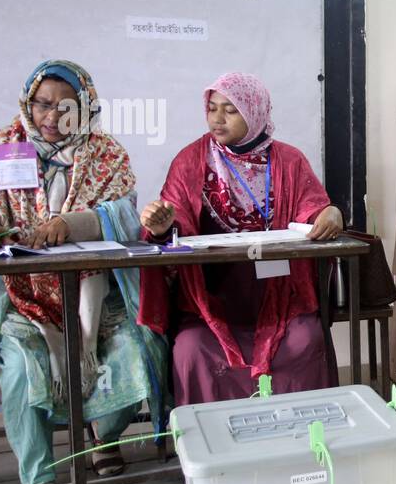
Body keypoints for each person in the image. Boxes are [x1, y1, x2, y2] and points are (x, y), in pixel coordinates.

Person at [0, 59, 168, 484]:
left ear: (84, 107)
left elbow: (126, 216)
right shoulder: (4, 147)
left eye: (65, 106)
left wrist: (73, 224)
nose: (51, 116)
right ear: (28, 102)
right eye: (42, 103)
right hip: (24, 299)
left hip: (94, 296)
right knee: (24, 368)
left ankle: (103, 436)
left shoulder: (107, 154)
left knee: (139, 350)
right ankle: (42, 481)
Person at [138, 72, 345, 406]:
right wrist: (162, 226)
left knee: (306, 339)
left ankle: (303, 434)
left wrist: (331, 213)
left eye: (230, 110)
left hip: (279, 294)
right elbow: (174, 214)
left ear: (254, 111)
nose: (217, 119)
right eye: (212, 108)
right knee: (192, 349)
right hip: (213, 300)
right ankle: (212, 447)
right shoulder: (191, 160)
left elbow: (313, 209)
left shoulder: (289, 160)